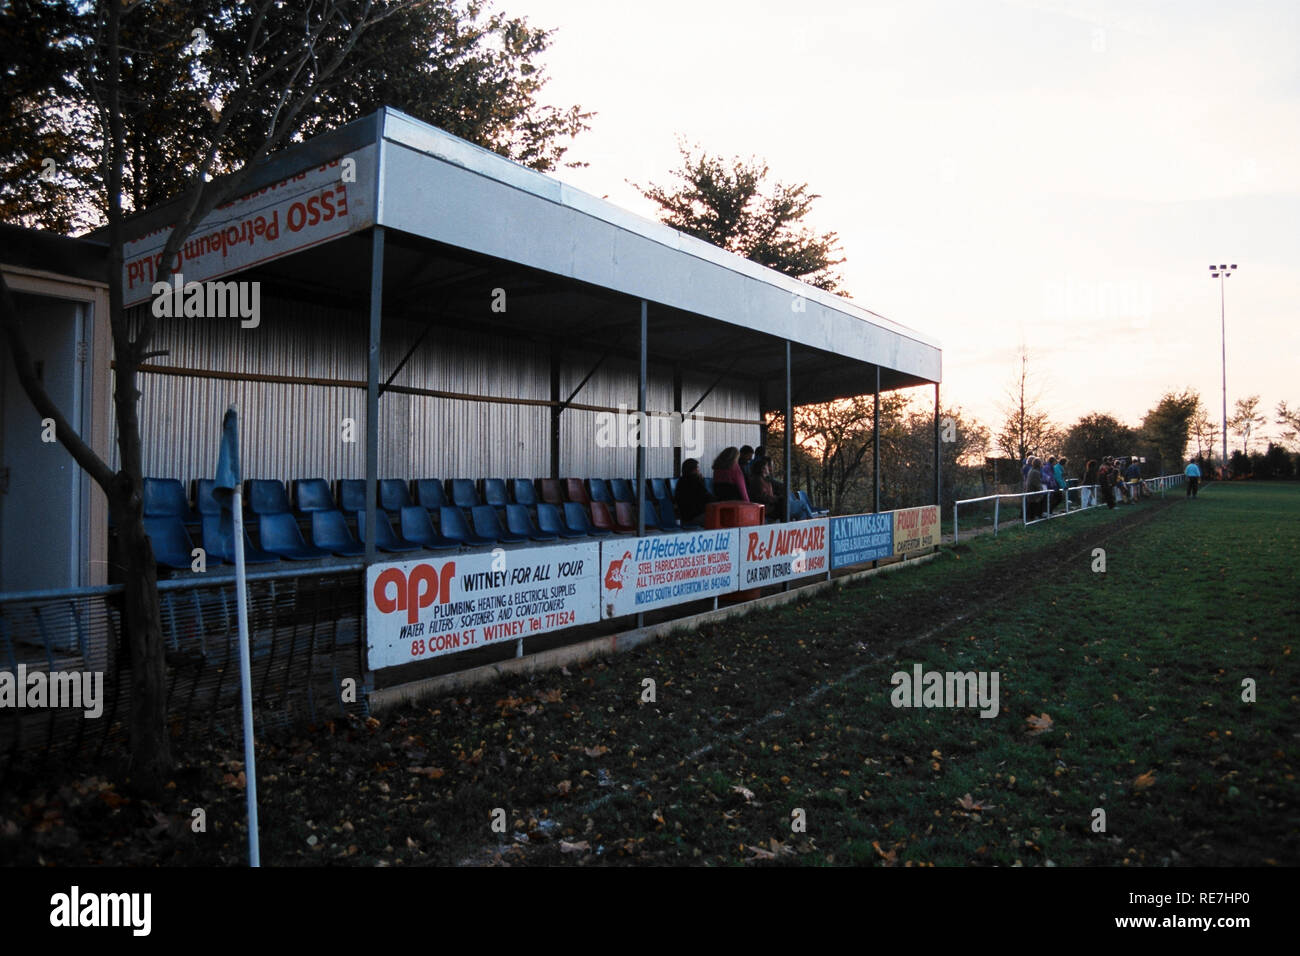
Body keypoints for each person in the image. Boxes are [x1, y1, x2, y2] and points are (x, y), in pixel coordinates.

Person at [745, 453, 785, 520]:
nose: (769, 468)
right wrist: (778, 498)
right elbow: (764, 497)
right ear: (762, 469)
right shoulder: (758, 481)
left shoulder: (763, 479)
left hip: (768, 506)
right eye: (767, 466)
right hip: (766, 509)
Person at [674, 458, 715, 523]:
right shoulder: (695, 481)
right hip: (695, 516)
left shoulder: (681, 481)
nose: (699, 471)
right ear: (694, 470)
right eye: (698, 468)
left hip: (685, 517)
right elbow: (707, 498)